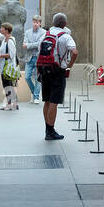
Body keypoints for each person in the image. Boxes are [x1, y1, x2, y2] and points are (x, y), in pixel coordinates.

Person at [37, 11, 78, 140]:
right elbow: (75, 52)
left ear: (53, 23)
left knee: (47, 101)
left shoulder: (45, 34)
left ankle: (47, 129)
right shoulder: (65, 36)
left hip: (45, 70)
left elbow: (39, 53)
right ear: (65, 24)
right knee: (54, 102)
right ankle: (51, 131)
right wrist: (69, 66)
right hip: (58, 71)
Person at [23, 14, 46, 100]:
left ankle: (36, 97)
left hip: (39, 58)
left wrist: (28, 45)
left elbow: (39, 44)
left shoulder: (44, 32)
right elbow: (24, 43)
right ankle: (34, 92)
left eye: (37, 22)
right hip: (29, 57)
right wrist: (30, 45)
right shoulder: (27, 32)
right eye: (34, 22)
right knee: (27, 77)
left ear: (40, 23)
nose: (35, 24)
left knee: (37, 78)